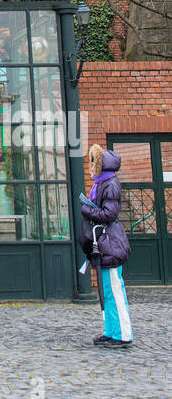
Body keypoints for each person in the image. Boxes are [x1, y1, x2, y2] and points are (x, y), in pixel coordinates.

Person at [78, 143, 133, 349]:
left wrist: (88, 211)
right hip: (105, 242)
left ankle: (123, 334)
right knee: (107, 291)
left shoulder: (109, 184)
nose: (90, 168)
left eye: (93, 163)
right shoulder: (102, 184)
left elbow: (109, 214)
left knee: (115, 290)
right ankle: (111, 331)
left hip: (110, 242)